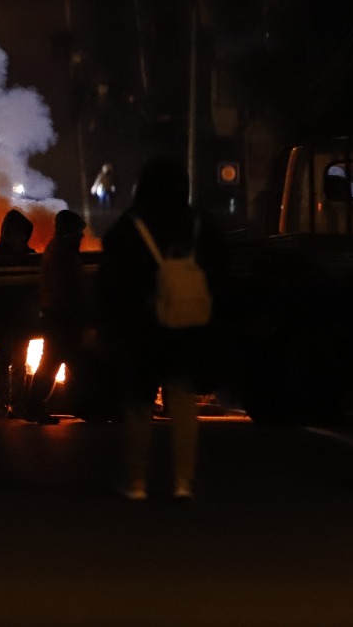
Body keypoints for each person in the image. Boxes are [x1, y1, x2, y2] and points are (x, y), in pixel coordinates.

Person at [101, 156, 225, 501]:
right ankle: (183, 482)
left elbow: (111, 283)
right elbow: (222, 276)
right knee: (184, 405)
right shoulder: (201, 223)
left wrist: (111, 326)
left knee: (139, 406)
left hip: (142, 329)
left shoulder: (129, 226)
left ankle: (136, 482)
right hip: (190, 329)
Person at [21, 209, 88, 424]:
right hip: (62, 316)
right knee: (70, 362)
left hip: (55, 315)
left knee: (54, 361)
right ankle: (87, 406)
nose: (82, 237)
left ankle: (34, 405)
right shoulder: (63, 254)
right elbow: (66, 288)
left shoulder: (57, 250)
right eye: (79, 232)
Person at [0, 209, 39, 418]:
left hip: (14, 317)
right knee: (6, 359)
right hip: (8, 316)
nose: (19, 238)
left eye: (22, 234)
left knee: (15, 361)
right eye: (16, 233)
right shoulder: (30, 257)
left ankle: (12, 404)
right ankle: (4, 404)